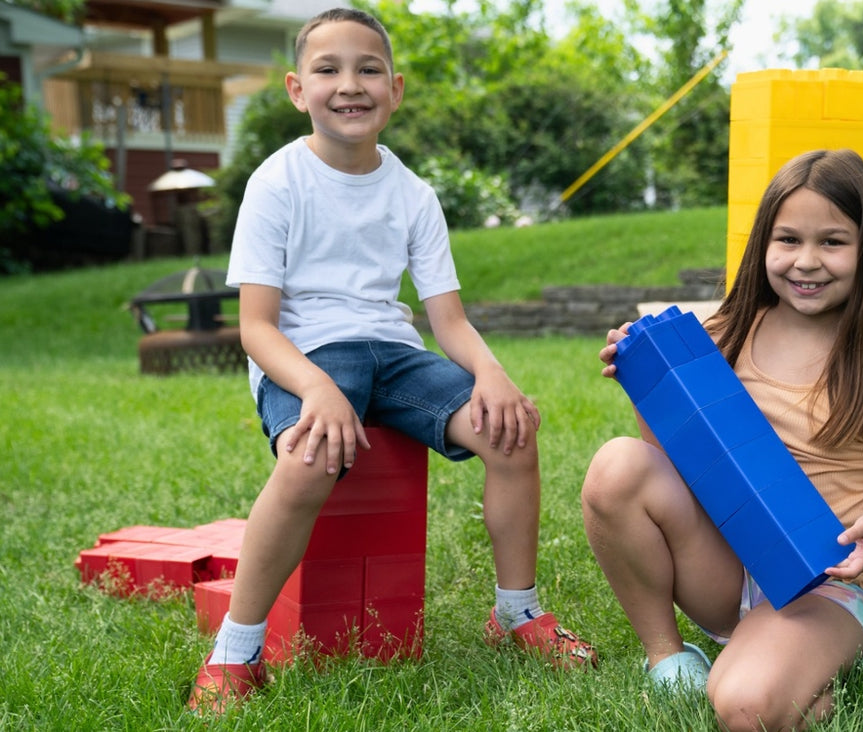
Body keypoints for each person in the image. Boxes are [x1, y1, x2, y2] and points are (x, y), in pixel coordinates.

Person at [187, 7, 595, 714]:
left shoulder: (412, 193)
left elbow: (449, 320)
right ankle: (237, 650)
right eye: (329, 69)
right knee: (310, 456)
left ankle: (518, 613)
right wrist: (315, 388)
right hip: (305, 353)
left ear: (395, 89)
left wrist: (494, 376)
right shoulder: (277, 182)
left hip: (394, 354)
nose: (351, 84)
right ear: (296, 88)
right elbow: (255, 327)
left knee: (511, 431)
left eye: (368, 69)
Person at [581, 148, 863, 731]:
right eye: (788, 239)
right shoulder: (723, 335)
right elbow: (678, 462)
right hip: (728, 565)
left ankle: (789, 672)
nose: (807, 261)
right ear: (763, 245)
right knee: (618, 465)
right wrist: (649, 382)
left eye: (832, 242)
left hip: (824, 588)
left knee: (743, 707)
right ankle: (668, 658)